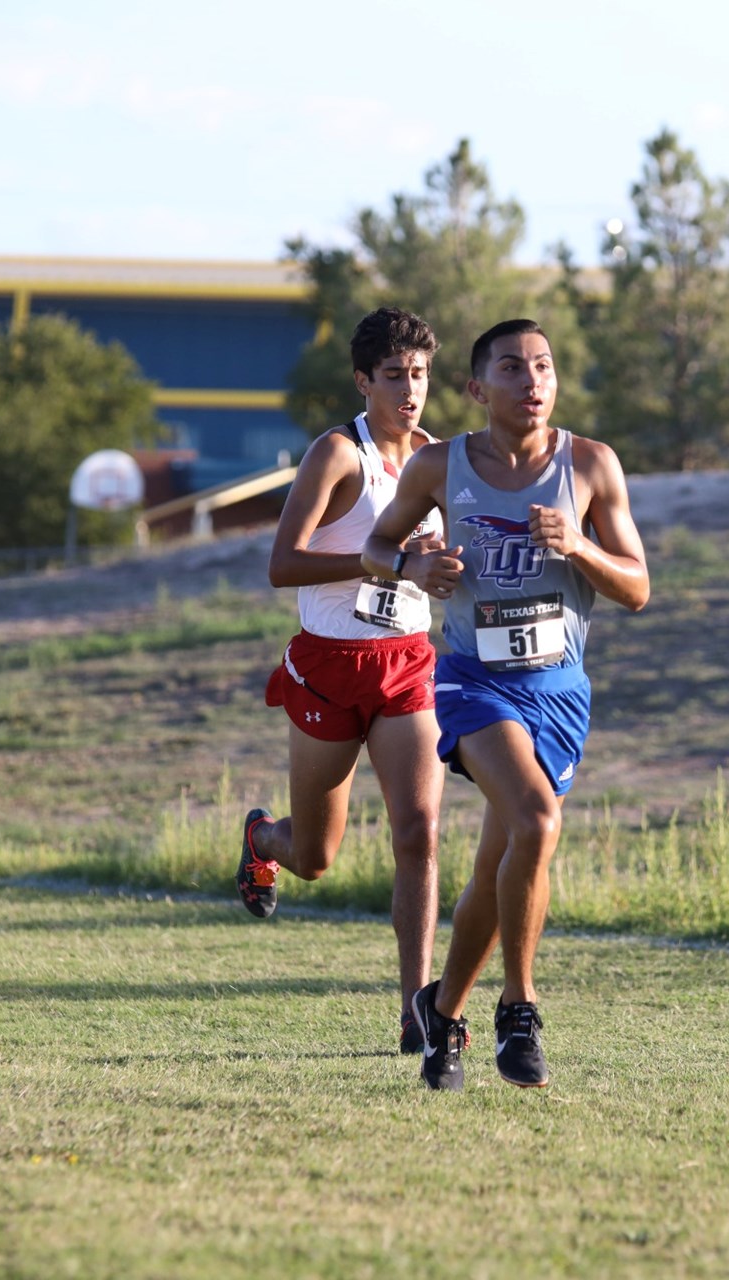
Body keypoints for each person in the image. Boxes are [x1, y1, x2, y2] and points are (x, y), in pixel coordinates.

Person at [362, 318, 648, 1090]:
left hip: (558, 691)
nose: (533, 382)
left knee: (498, 864)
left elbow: (638, 588)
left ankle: (441, 1014)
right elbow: (376, 550)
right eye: (514, 368)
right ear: (477, 388)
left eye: (545, 367)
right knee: (536, 820)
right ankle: (517, 1009)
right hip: (471, 681)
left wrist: (580, 547)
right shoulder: (438, 466)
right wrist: (416, 569)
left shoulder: (590, 465)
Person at [237, 306, 450, 1054]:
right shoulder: (338, 454)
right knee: (318, 858)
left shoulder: (437, 461)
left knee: (418, 833)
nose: (410, 390)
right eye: (394, 376)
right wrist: (379, 558)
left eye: (420, 375)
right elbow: (282, 565)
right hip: (330, 667)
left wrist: (445, 572)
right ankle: (263, 837)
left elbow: (436, 571)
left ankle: (418, 1009)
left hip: (407, 666)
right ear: (364, 381)